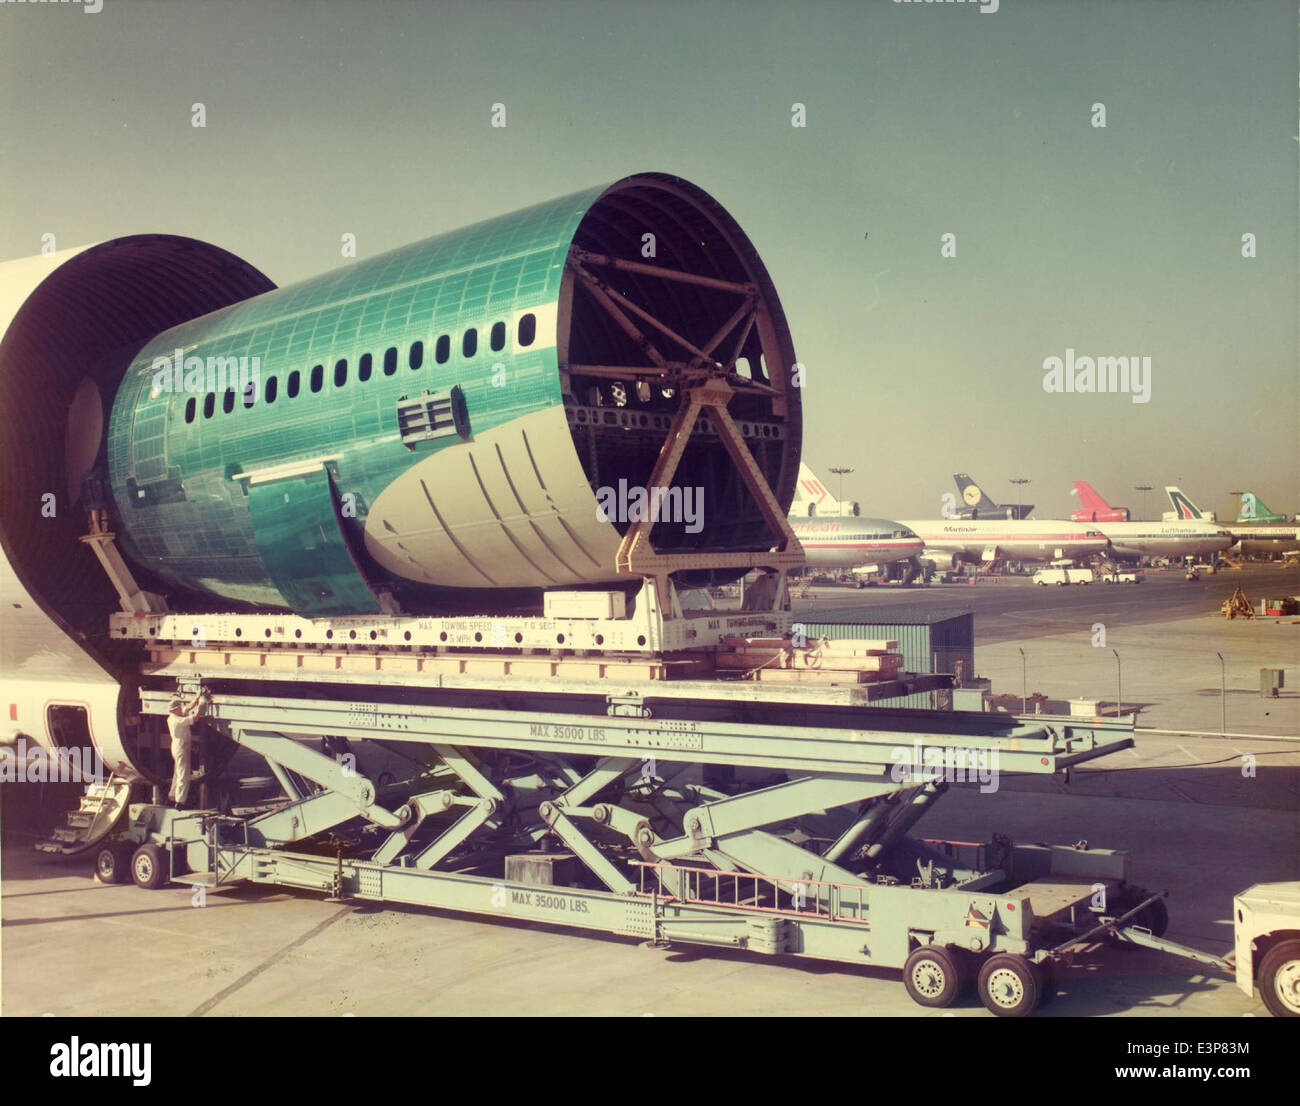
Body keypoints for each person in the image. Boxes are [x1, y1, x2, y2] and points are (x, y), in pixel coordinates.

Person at [166, 689, 207, 807]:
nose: (181, 708)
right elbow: (195, 718)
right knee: (183, 774)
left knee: (177, 772)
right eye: (179, 707)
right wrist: (201, 705)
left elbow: (187, 708)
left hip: (178, 746)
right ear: (175, 709)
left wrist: (197, 697)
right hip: (181, 748)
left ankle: (173, 794)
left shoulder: (173, 716)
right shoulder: (177, 720)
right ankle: (180, 801)